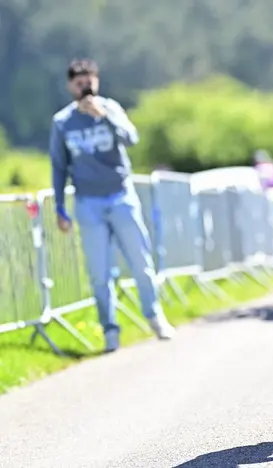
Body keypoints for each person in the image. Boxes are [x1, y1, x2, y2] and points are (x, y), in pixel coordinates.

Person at [49, 58, 175, 353]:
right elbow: (58, 166)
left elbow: (131, 138)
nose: (85, 88)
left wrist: (103, 116)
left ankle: (154, 316)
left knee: (141, 261)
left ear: (97, 82)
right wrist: (59, 207)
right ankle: (110, 330)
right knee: (99, 272)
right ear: (70, 86)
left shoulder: (111, 108)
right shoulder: (62, 122)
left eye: (89, 82)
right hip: (88, 203)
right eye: (79, 83)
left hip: (120, 197)